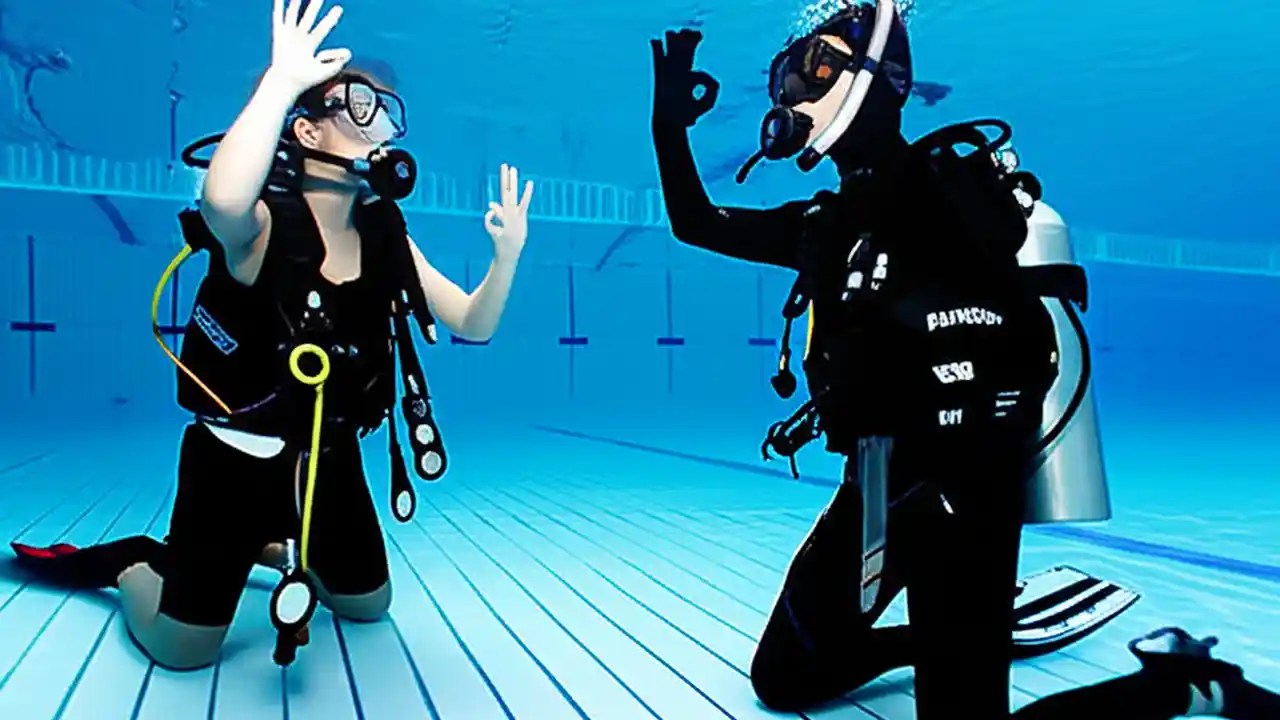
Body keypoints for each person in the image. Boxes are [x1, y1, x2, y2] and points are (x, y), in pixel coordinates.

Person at [647, 1, 1280, 718]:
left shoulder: (949, 189)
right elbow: (695, 223)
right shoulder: (827, 226)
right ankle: (942, 643)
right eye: (783, 78)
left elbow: (1017, 343)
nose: (791, 95)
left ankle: (1183, 682)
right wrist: (667, 129)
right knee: (783, 678)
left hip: (965, 491)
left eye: (812, 69)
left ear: (875, 77)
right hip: (877, 482)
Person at [9, 0, 535, 670]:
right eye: (363, 106)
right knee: (183, 649)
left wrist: (508, 255)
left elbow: (472, 322)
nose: (384, 127)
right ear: (310, 133)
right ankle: (139, 566)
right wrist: (280, 83)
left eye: (392, 113)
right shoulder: (264, 227)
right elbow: (222, 202)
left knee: (370, 605)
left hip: (330, 460)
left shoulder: (385, 235)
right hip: (234, 462)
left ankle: (268, 543)